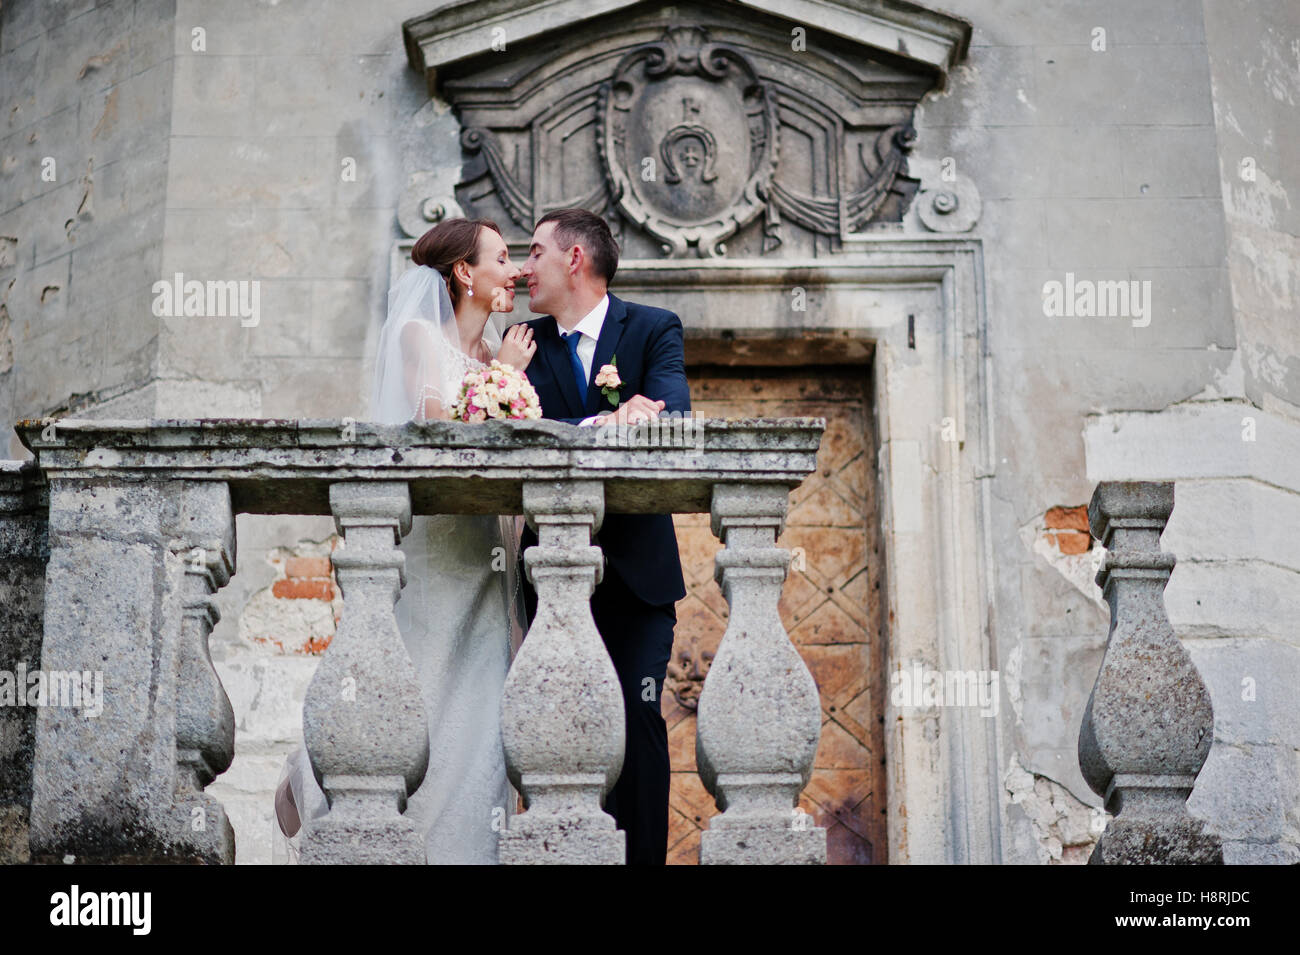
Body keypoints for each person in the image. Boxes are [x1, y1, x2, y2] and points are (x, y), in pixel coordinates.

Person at [275, 217, 537, 864]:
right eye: (503, 259)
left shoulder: (500, 346)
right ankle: (315, 775)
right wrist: (500, 379)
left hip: (485, 548)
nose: (517, 272)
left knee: (475, 702)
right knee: (415, 676)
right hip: (434, 545)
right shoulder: (423, 335)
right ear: (464, 273)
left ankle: (458, 847)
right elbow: (431, 423)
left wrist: (502, 375)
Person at [517, 208, 690, 864]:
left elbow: (674, 412)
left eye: (535, 252)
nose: (524, 267)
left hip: (640, 578)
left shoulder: (651, 328)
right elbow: (518, 436)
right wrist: (607, 419)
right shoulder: (521, 346)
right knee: (558, 732)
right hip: (554, 578)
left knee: (639, 718)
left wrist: (651, 410)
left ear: (575, 260)